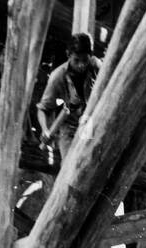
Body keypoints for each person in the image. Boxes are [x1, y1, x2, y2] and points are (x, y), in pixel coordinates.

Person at [37, 33, 100, 162]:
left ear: (91, 56)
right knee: (69, 166)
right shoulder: (57, 77)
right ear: (68, 55)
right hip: (69, 127)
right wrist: (45, 130)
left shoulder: (96, 66)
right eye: (77, 60)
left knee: (90, 163)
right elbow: (42, 109)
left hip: (91, 123)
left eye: (85, 60)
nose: (81, 65)